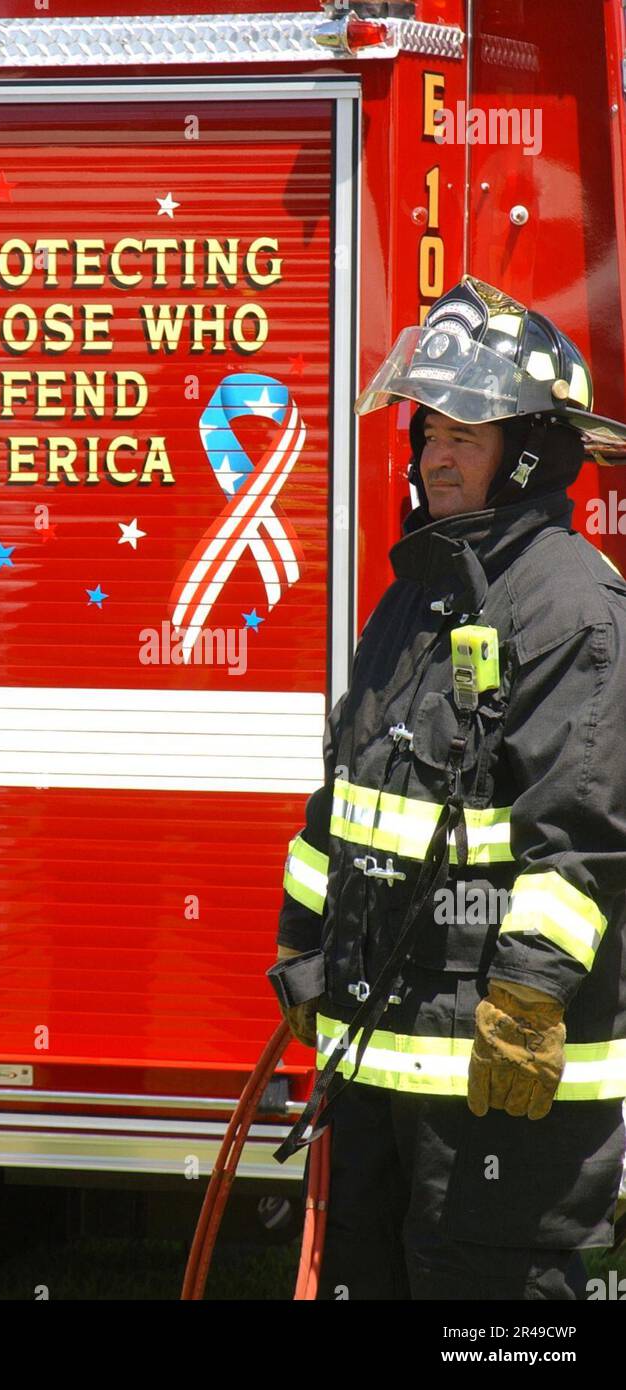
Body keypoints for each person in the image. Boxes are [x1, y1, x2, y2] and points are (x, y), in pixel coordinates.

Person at [268, 275, 626, 1300]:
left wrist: (524, 1001)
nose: (431, 456)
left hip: (499, 1092)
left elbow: (582, 841)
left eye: (462, 435)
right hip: (378, 1070)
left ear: (527, 450)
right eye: (426, 432)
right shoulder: (414, 591)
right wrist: (301, 941)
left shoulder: (571, 608)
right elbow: (342, 803)